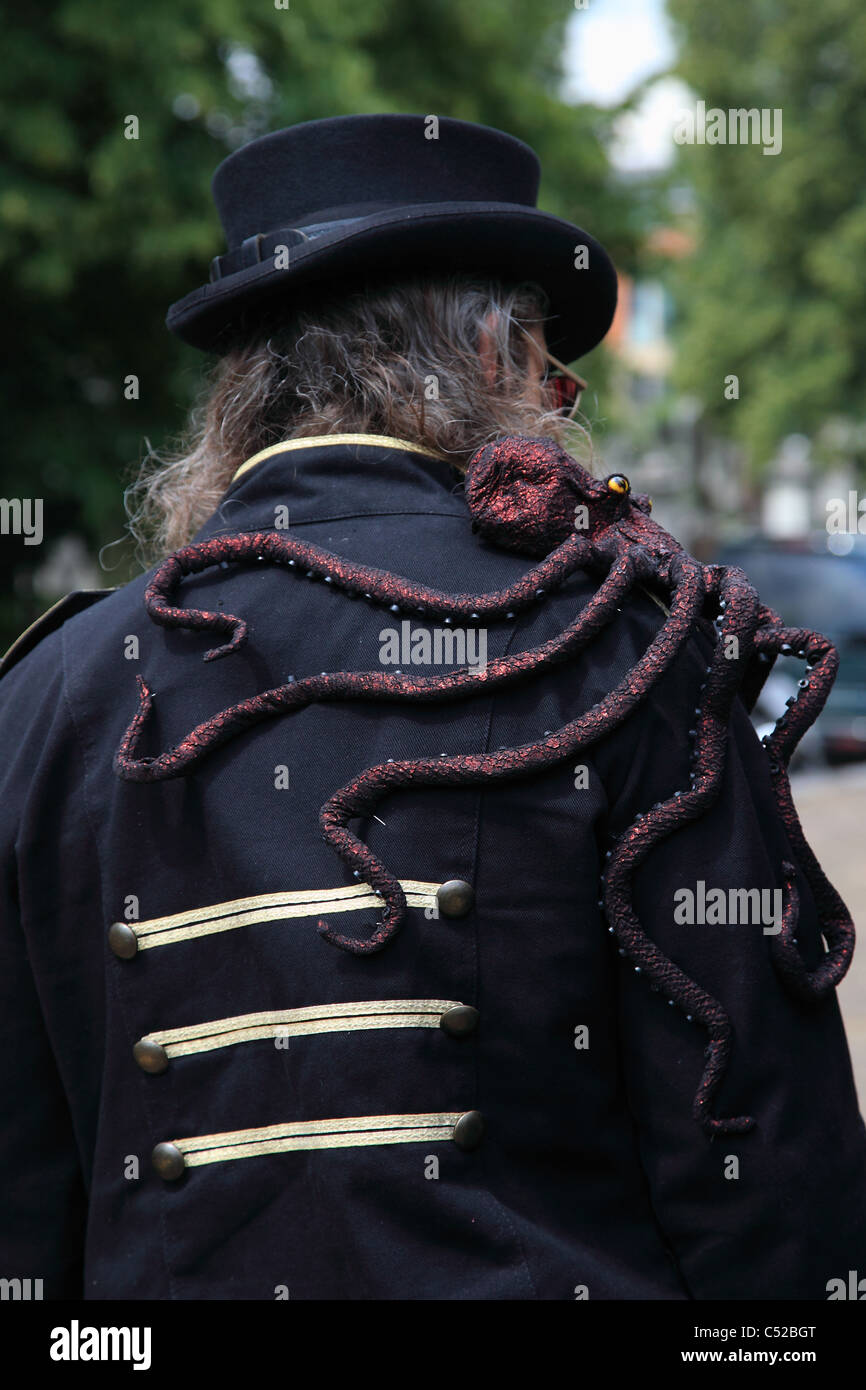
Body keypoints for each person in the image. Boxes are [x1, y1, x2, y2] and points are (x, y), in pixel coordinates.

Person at [1, 113, 864, 1302]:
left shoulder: (46, 696)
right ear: (494, 354)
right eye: (549, 372)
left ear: (238, 389)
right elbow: (764, 1178)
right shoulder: (627, 648)